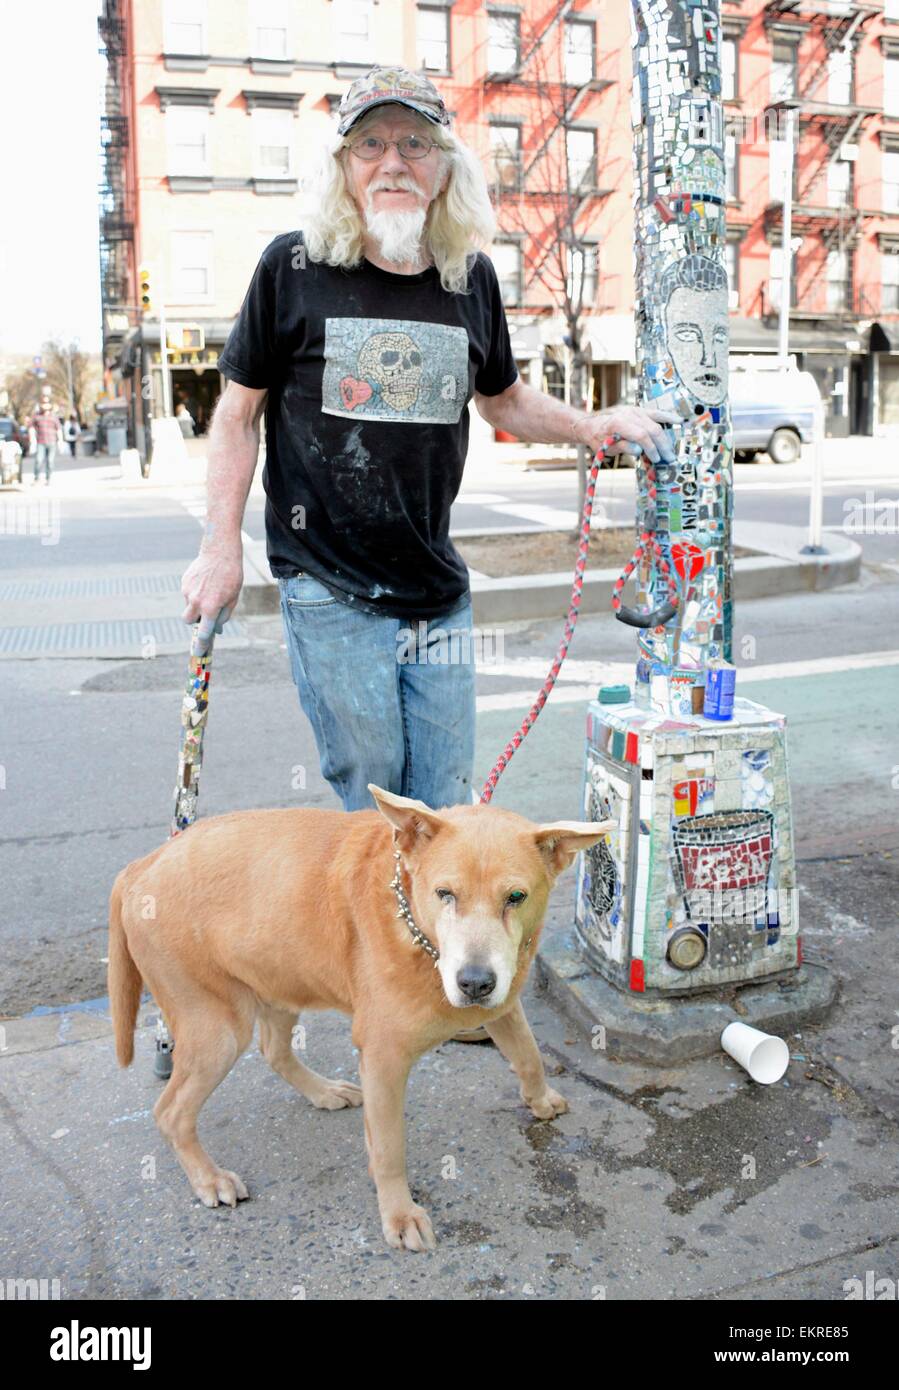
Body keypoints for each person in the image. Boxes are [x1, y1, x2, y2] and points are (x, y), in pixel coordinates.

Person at [181, 64, 675, 816]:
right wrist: (219, 547)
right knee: (376, 792)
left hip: (436, 589)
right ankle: (382, 934)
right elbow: (237, 415)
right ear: (343, 168)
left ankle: (428, 936)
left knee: (442, 803)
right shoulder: (293, 266)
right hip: (329, 585)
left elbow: (502, 398)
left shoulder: (467, 278)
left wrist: (592, 426)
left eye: (415, 143)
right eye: (370, 143)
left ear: (445, 169)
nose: (392, 162)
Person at [27, 398, 64, 485]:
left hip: (52, 442)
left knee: (50, 461)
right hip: (41, 442)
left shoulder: (53, 416)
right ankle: (36, 478)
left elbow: (58, 429)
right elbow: (31, 427)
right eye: (43, 403)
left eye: (47, 403)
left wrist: (60, 441)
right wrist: (32, 440)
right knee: (39, 460)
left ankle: (48, 478)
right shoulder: (37, 416)